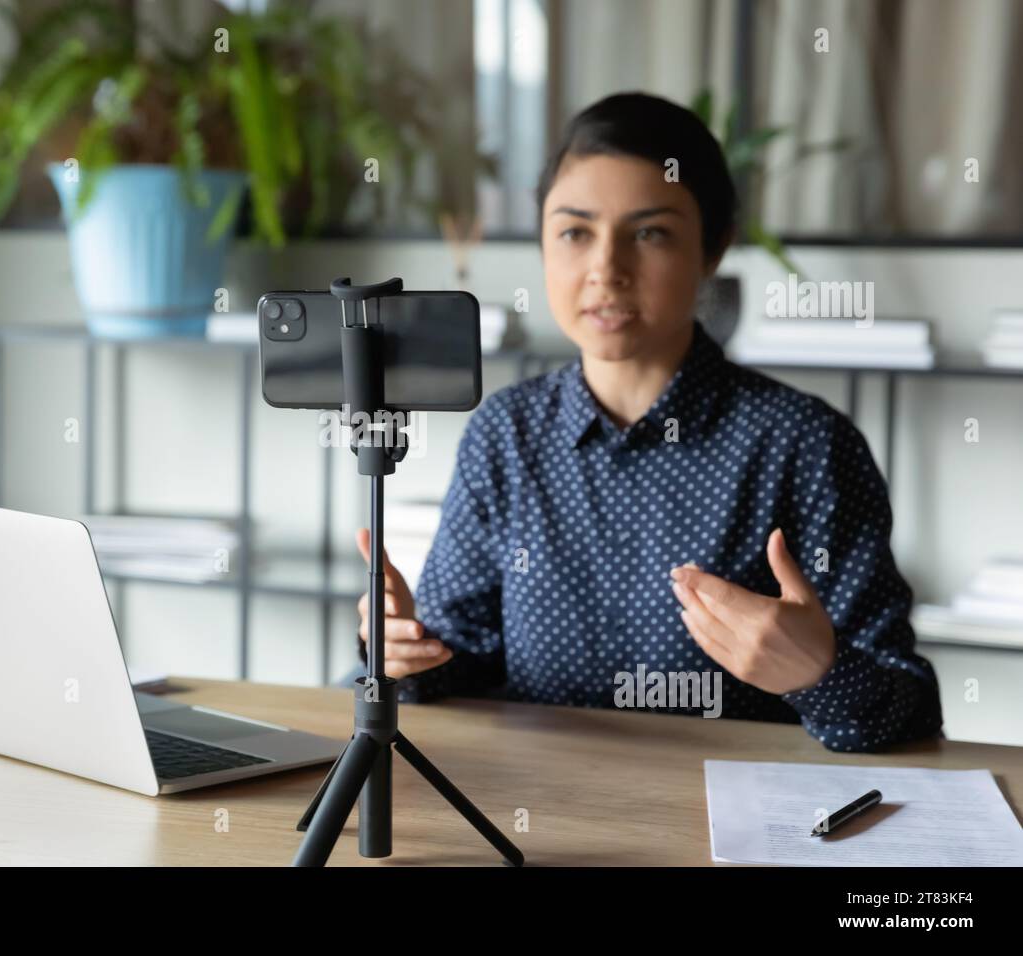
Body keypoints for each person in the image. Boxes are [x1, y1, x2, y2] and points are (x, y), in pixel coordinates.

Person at [354, 92, 942, 753]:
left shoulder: (805, 445)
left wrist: (819, 673)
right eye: (575, 231)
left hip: (738, 830)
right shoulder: (506, 433)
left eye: (650, 233)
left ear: (713, 248)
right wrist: (405, 653)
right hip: (538, 815)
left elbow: (913, 709)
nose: (607, 270)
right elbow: (460, 671)